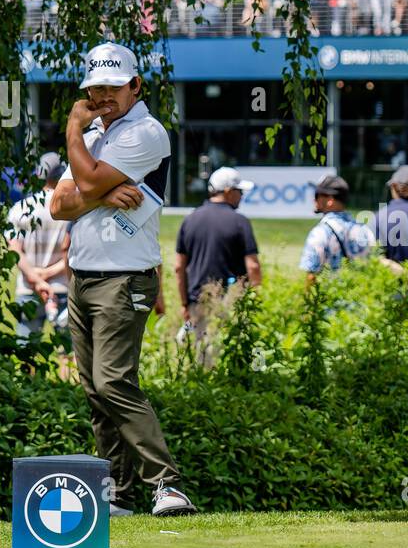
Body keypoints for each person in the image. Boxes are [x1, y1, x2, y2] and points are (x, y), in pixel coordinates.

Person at [49, 42, 195, 518]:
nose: (104, 95)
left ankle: (167, 485)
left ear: (135, 85)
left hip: (124, 278)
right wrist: (102, 193)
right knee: (95, 390)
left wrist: (74, 133)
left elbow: (82, 186)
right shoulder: (93, 138)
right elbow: (57, 205)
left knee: (112, 380)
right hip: (83, 277)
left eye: (114, 86)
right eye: (96, 88)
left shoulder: (147, 133)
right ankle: (117, 497)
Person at [174, 166, 262, 360]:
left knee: (199, 355)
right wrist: (256, 297)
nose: (241, 196)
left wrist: (184, 303)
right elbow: (253, 266)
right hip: (231, 300)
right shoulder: (240, 222)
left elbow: (179, 267)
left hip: (197, 300)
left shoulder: (190, 219)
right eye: (239, 192)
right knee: (226, 355)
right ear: (229, 192)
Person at [7, 152, 71, 345]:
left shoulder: (21, 208)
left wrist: (36, 278)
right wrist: (49, 273)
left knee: (26, 349)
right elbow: (73, 251)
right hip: (62, 286)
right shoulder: (69, 208)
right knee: (67, 352)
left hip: (29, 288)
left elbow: (14, 251)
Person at [299, 175, 374, 282]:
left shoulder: (320, 233)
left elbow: (311, 276)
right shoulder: (364, 230)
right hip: (359, 296)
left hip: (330, 296)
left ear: (330, 200)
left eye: (317, 195)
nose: (314, 199)